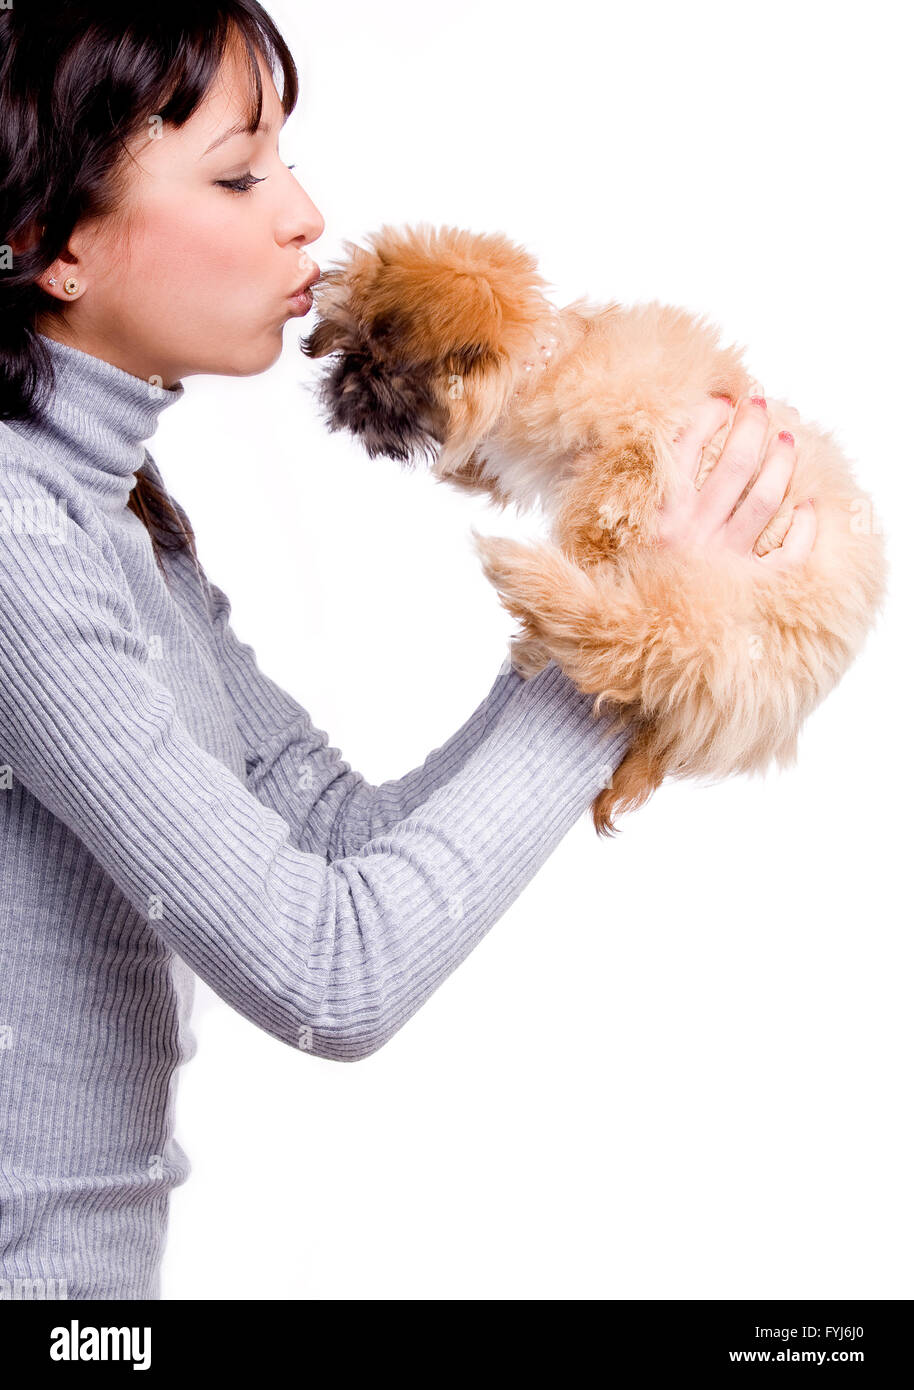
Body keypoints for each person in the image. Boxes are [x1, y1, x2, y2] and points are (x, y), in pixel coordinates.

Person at [0, 2, 816, 1301]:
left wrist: (628, 591)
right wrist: (634, 622)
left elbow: (323, 835)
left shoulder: (116, 524)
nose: (304, 216)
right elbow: (333, 968)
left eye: (287, 159)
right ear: (45, 241)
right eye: (237, 172)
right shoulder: (17, 539)